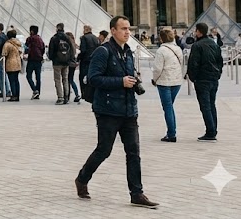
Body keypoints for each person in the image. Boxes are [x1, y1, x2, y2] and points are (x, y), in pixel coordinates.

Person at [75, 15, 159, 208]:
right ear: (113, 30)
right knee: (104, 150)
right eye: (123, 29)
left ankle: (137, 193)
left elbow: (126, 76)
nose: (127, 32)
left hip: (129, 110)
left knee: (134, 153)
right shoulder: (103, 52)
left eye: (129, 29)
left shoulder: (128, 52)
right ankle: (82, 179)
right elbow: (93, 78)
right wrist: (120, 82)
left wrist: (133, 81)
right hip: (108, 110)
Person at [186, 23, 223, 142]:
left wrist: (193, 78)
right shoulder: (214, 43)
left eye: (195, 30)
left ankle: (210, 132)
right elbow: (220, 61)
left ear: (199, 32)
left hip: (202, 79)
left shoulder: (197, 46)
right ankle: (213, 129)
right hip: (213, 79)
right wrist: (218, 74)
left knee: (205, 106)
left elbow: (193, 63)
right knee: (212, 105)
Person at [152, 28, 184, 142]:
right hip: (177, 82)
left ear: (161, 38)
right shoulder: (178, 49)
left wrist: (154, 80)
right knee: (170, 107)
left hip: (164, 82)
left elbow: (157, 69)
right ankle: (171, 132)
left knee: (168, 108)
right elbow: (182, 65)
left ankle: (171, 134)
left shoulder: (161, 51)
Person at [48, 23, 73, 104]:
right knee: (65, 79)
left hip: (57, 62)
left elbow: (51, 51)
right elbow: (72, 50)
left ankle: (60, 97)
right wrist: (69, 59)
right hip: (66, 62)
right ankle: (66, 97)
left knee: (57, 80)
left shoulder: (54, 38)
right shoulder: (67, 38)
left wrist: (52, 58)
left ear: (57, 28)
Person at [78, 25, 100, 103]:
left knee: (82, 77)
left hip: (85, 61)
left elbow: (83, 50)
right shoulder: (95, 37)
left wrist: (78, 57)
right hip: (93, 60)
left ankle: (84, 94)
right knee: (91, 77)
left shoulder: (84, 38)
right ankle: (91, 93)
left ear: (85, 30)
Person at [2, 29, 23, 101]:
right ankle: (17, 95)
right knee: (16, 80)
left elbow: (4, 54)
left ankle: (14, 95)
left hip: (10, 63)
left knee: (12, 80)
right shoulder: (18, 43)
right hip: (17, 63)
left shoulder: (7, 44)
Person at [25, 25, 45, 99]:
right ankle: (38, 93)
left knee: (28, 76)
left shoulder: (29, 39)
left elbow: (26, 48)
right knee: (38, 77)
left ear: (31, 31)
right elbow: (43, 49)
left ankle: (34, 90)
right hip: (39, 60)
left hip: (31, 60)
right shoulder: (40, 39)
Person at [65, 32, 81, 104]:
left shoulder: (68, 44)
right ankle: (76, 94)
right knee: (71, 79)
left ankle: (67, 95)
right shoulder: (74, 44)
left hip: (69, 63)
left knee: (68, 80)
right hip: (73, 63)